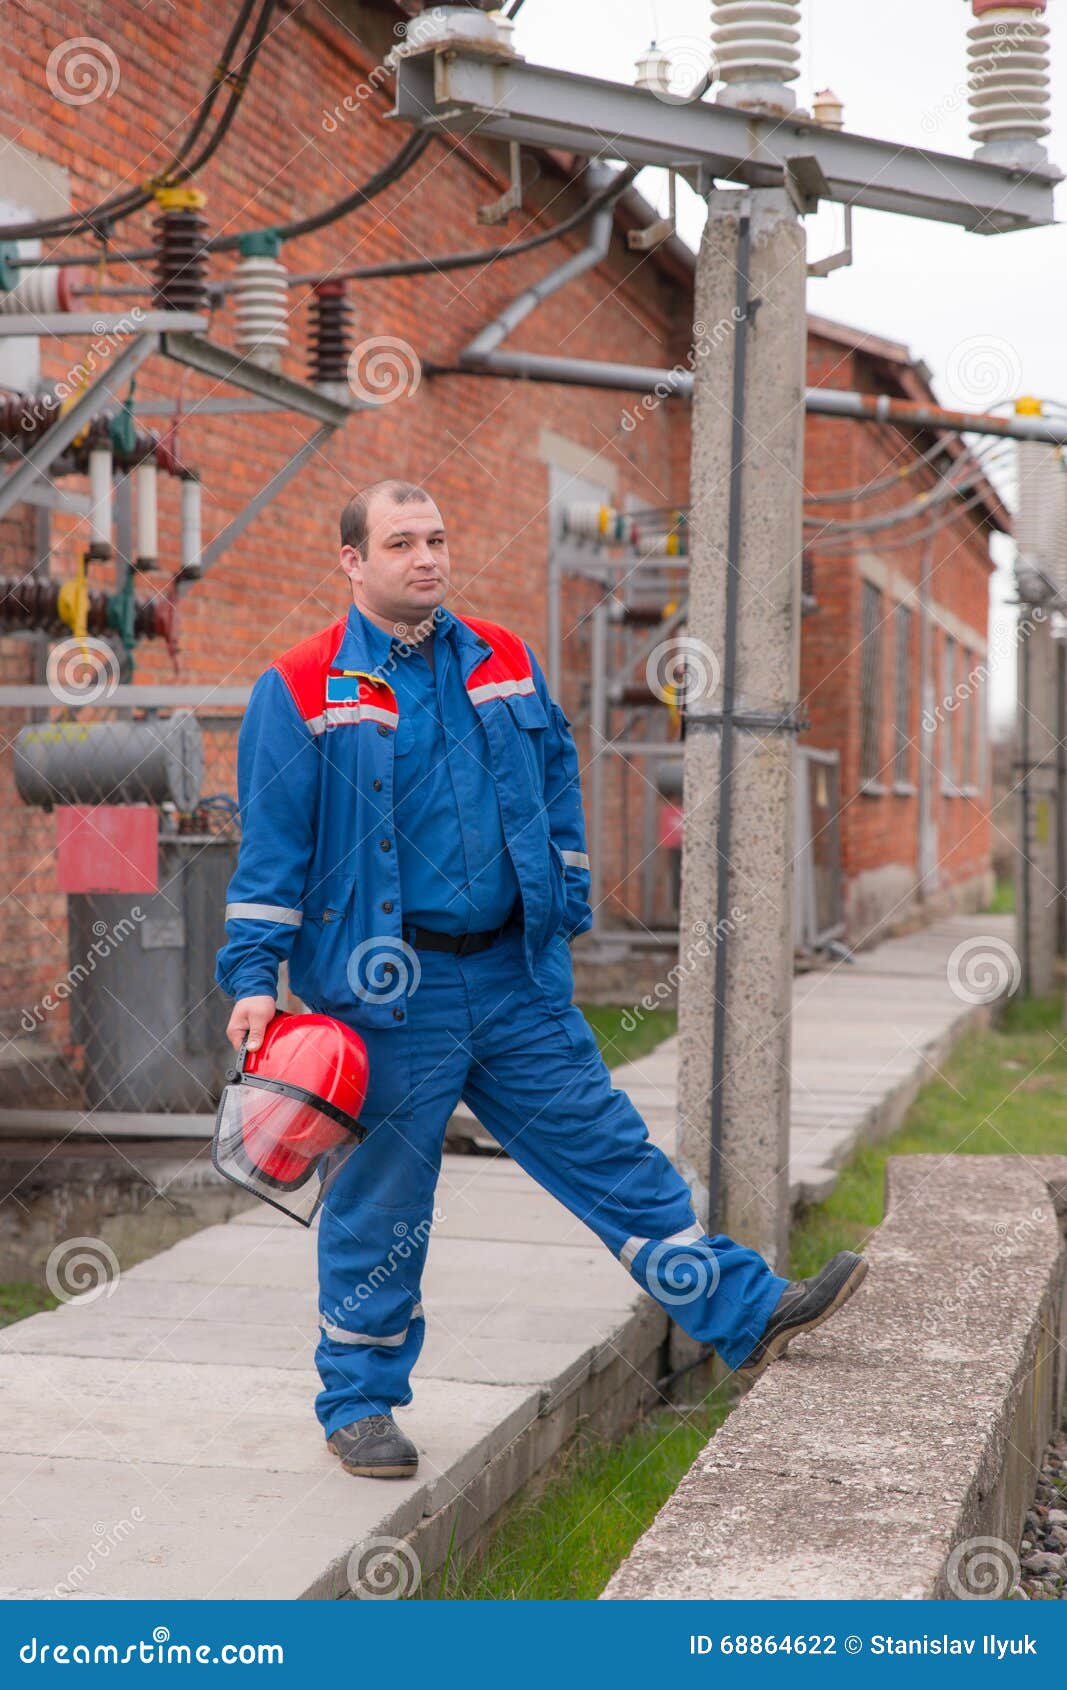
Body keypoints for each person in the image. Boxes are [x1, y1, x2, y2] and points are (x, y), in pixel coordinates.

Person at [215, 479, 867, 1480]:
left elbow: (557, 775)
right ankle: (357, 1403)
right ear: (351, 561)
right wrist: (252, 975)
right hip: (387, 991)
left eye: (435, 537)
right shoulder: (302, 685)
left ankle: (744, 1312)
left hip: (513, 979)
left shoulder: (502, 659)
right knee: (382, 1209)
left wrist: (562, 896)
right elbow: (271, 846)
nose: (425, 557)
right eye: (399, 543)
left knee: (608, 1152)